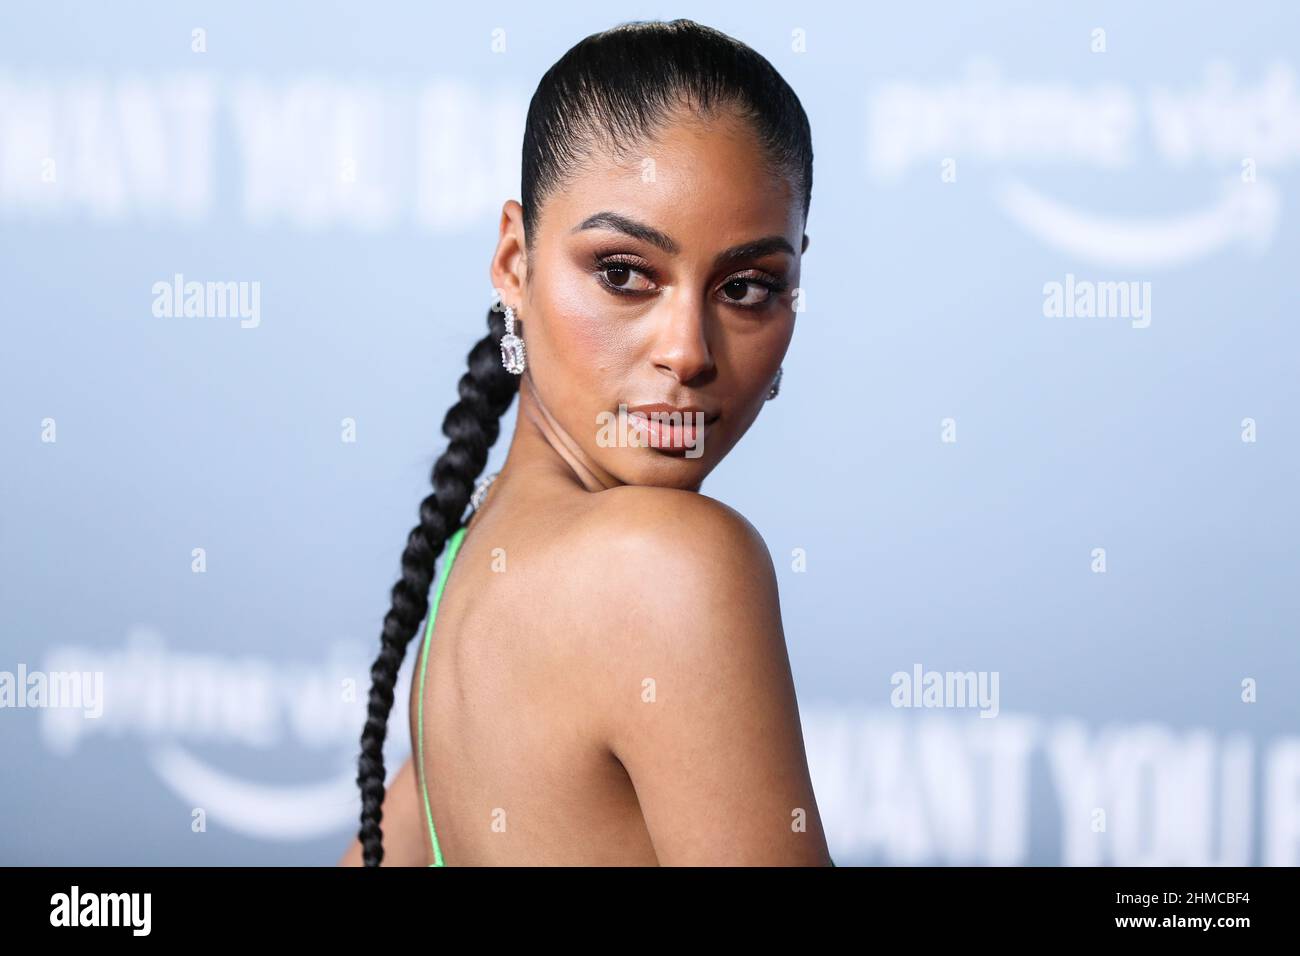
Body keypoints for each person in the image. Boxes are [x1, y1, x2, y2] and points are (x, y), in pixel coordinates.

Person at [338, 17, 831, 867]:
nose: (688, 350)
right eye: (623, 273)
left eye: (747, 287)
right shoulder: (672, 564)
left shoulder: (468, 556)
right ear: (514, 264)